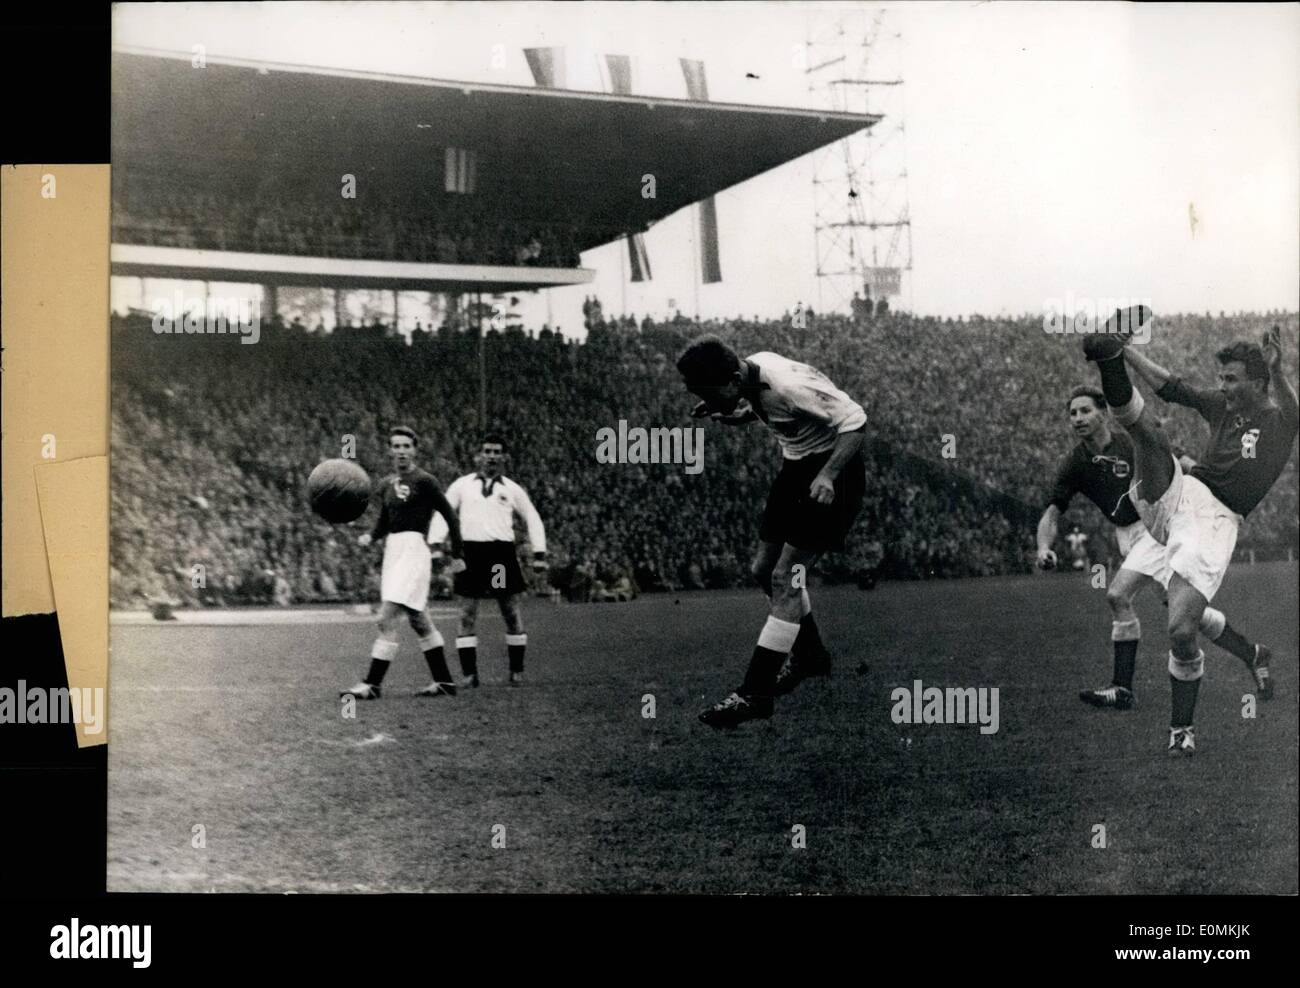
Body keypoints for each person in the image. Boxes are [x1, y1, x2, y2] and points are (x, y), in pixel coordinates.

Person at [1084, 313, 1295, 754]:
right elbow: (1172, 387)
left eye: (1232, 379)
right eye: (1220, 378)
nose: (1223, 386)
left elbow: (1294, 411)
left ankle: (1182, 731)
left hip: (1216, 522)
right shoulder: (1220, 406)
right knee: (1151, 435)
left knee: (1181, 630)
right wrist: (1126, 352)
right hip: (1182, 494)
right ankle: (1108, 358)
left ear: (1258, 383)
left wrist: (1278, 369)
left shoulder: (1278, 421)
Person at [677, 335, 867, 728]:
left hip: (833, 473)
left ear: (732, 378)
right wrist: (736, 414)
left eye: (710, 394)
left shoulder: (787, 386)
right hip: (795, 468)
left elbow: (856, 422)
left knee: (784, 577)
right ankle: (811, 655)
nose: (708, 401)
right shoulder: (751, 370)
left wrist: (829, 476)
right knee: (763, 570)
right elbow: (776, 410)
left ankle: (755, 693)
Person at [1036, 385, 1265, 711]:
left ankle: (1122, 688)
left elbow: (1180, 460)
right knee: (1185, 614)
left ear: (1103, 414)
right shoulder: (1075, 463)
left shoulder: (1129, 443)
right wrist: (1044, 547)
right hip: (1128, 537)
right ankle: (1252, 653)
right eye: (1072, 413)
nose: (1077, 418)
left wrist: (1215, 501)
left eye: (1085, 411)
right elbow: (1052, 511)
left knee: (1117, 595)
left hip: (1157, 526)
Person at [341, 427, 465, 700]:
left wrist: (458, 555)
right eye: (396, 446)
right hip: (394, 551)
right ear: (390, 450)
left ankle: (372, 684)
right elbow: (384, 522)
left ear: (414, 450)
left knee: (386, 617)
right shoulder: (386, 484)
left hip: (414, 550)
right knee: (419, 621)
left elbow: (451, 518)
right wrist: (370, 537)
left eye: (406, 446)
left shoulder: (425, 481)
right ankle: (444, 682)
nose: (401, 451)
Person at [429, 435, 547, 687]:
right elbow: (444, 512)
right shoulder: (462, 485)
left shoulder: (512, 489)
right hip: (470, 554)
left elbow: (532, 518)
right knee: (467, 613)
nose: (491, 456)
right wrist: (436, 545)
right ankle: (470, 675)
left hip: (499, 558)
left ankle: (516, 671)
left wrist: (539, 553)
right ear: (478, 455)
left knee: (510, 611)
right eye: (487, 451)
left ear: (503, 457)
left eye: (496, 452)